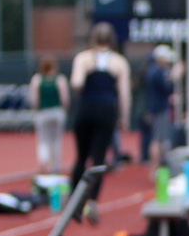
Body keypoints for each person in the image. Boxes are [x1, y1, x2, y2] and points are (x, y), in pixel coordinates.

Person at [68, 23, 130, 214]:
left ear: (92, 39)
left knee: (81, 157)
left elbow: (76, 83)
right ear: (111, 40)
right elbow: (124, 94)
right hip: (106, 110)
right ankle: (92, 202)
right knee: (99, 159)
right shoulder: (119, 62)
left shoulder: (84, 58)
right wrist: (124, 118)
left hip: (86, 108)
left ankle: (74, 201)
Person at [140, 44, 177, 168]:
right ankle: (155, 167)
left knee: (158, 139)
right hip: (159, 109)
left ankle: (156, 167)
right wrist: (173, 78)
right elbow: (165, 88)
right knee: (157, 139)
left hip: (155, 108)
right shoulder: (156, 72)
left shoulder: (153, 71)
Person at [30, 55, 68, 174]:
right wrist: (64, 110)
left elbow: (34, 99)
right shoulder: (59, 79)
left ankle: (43, 161)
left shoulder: (37, 79)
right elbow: (64, 98)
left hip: (43, 112)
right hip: (57, 112)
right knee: (56, 140)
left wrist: (36, 111)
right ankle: (55, 167)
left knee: (43, 140)